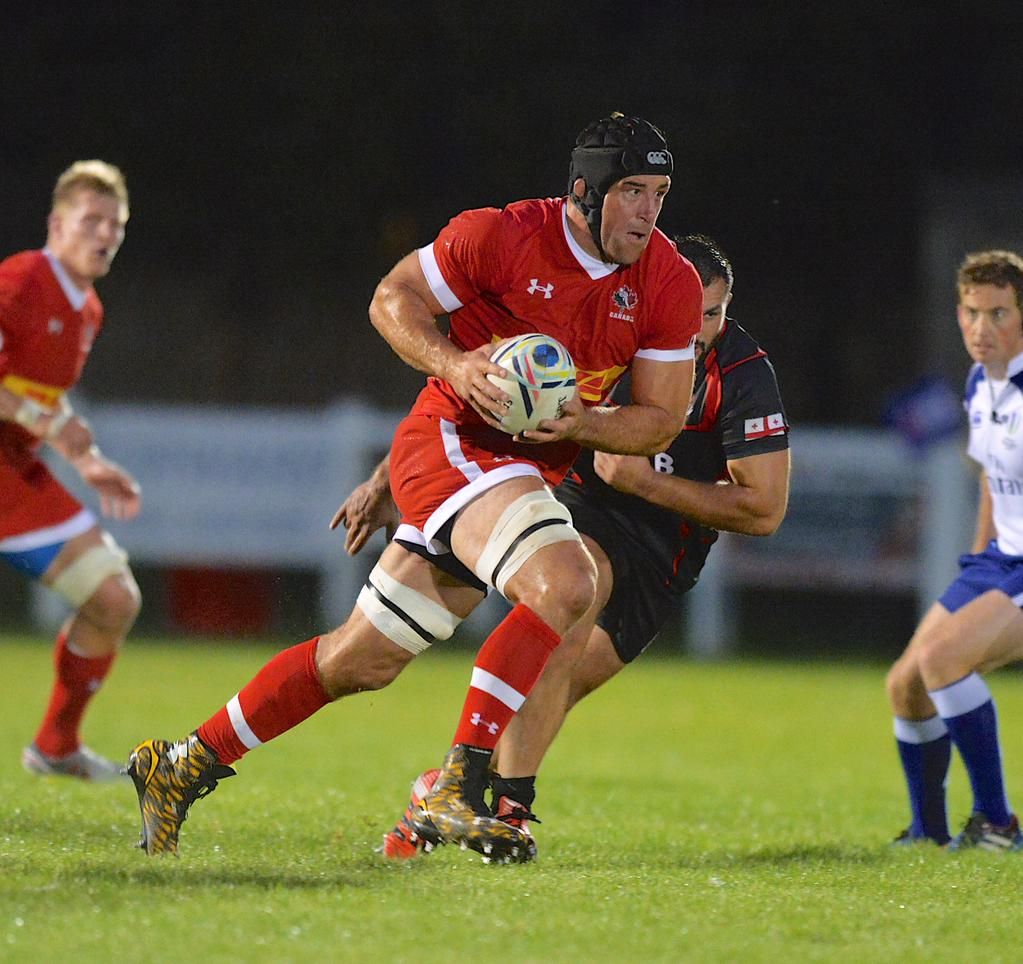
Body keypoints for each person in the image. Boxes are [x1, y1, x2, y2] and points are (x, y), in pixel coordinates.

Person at [126, 113, 704, 861]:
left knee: (360, 660)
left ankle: (179, 766)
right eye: (631, 191)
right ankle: (457, 788)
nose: (649, 211)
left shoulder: (668, 280)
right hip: (452, 444)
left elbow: (658, 422)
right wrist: (457, 365)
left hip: (522, 474)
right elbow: (391, 300)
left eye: (658, 192)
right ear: (582, 193)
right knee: (569, 579)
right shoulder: (500, 235)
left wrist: (581, 421)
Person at [336, 235, 791, 857]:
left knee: (556, 687)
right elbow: (477, 395)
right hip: (580, 504)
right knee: (576, 591)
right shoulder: (615, 327)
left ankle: (439, 795)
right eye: (690, 312)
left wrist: (647, 481)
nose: (695, 328)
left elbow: (764, 510)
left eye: (710, 314)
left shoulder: (741, 373)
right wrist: (385, 477)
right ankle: (511, 806)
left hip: (666, 549)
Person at [0, 160, 142, 781]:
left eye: (115, 224)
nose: (103, 233)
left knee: (113, 599)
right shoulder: (23, 278)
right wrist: (56, 428)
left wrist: (86, 461)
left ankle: (55, 748)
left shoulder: (87, 309)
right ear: (57, 224)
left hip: (12, 469)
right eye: (91, 220)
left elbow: (36, 399)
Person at [886, 250, 1023, 852]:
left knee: (943, 662)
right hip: (995, 562)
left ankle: (998, 824)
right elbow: (993, 481)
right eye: (971, 312)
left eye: (998, 313)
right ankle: (928, 832)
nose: (981, 327)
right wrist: (974, 565)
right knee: (906, 685)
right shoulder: (978, 382)